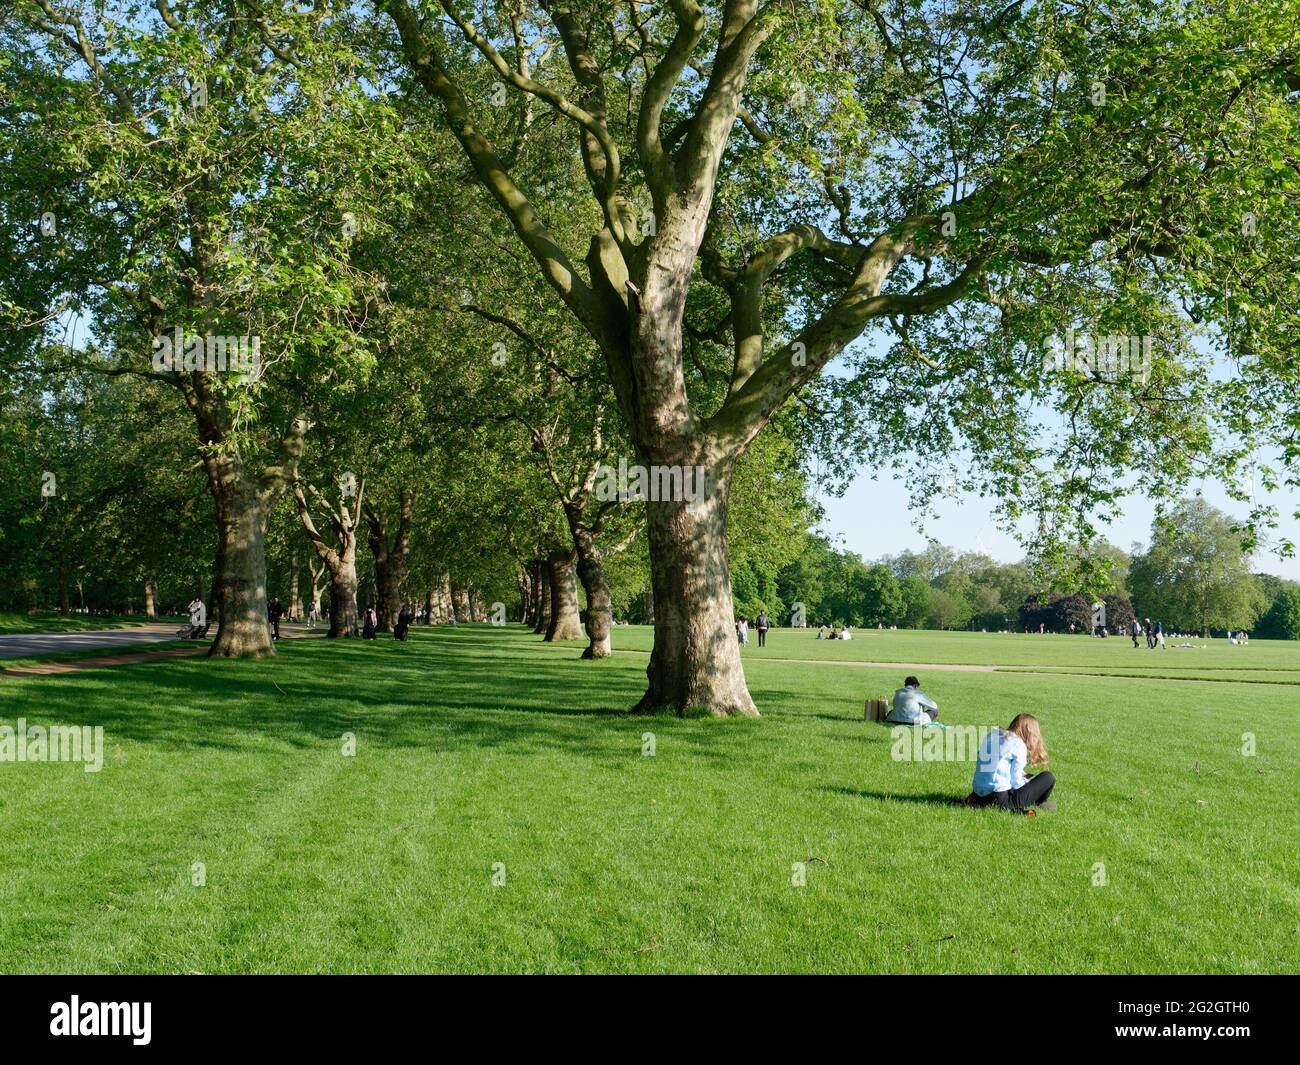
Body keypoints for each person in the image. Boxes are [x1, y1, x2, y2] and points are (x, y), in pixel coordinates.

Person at [965, 714, 1056, 813]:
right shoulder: (1018, 744)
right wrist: (1026, 782)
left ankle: (1036, 801)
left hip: (977, 796)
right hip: (1000, 801)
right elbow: (1016, 783)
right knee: (1048, 777)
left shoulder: (993, 734)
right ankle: (1038, 802)